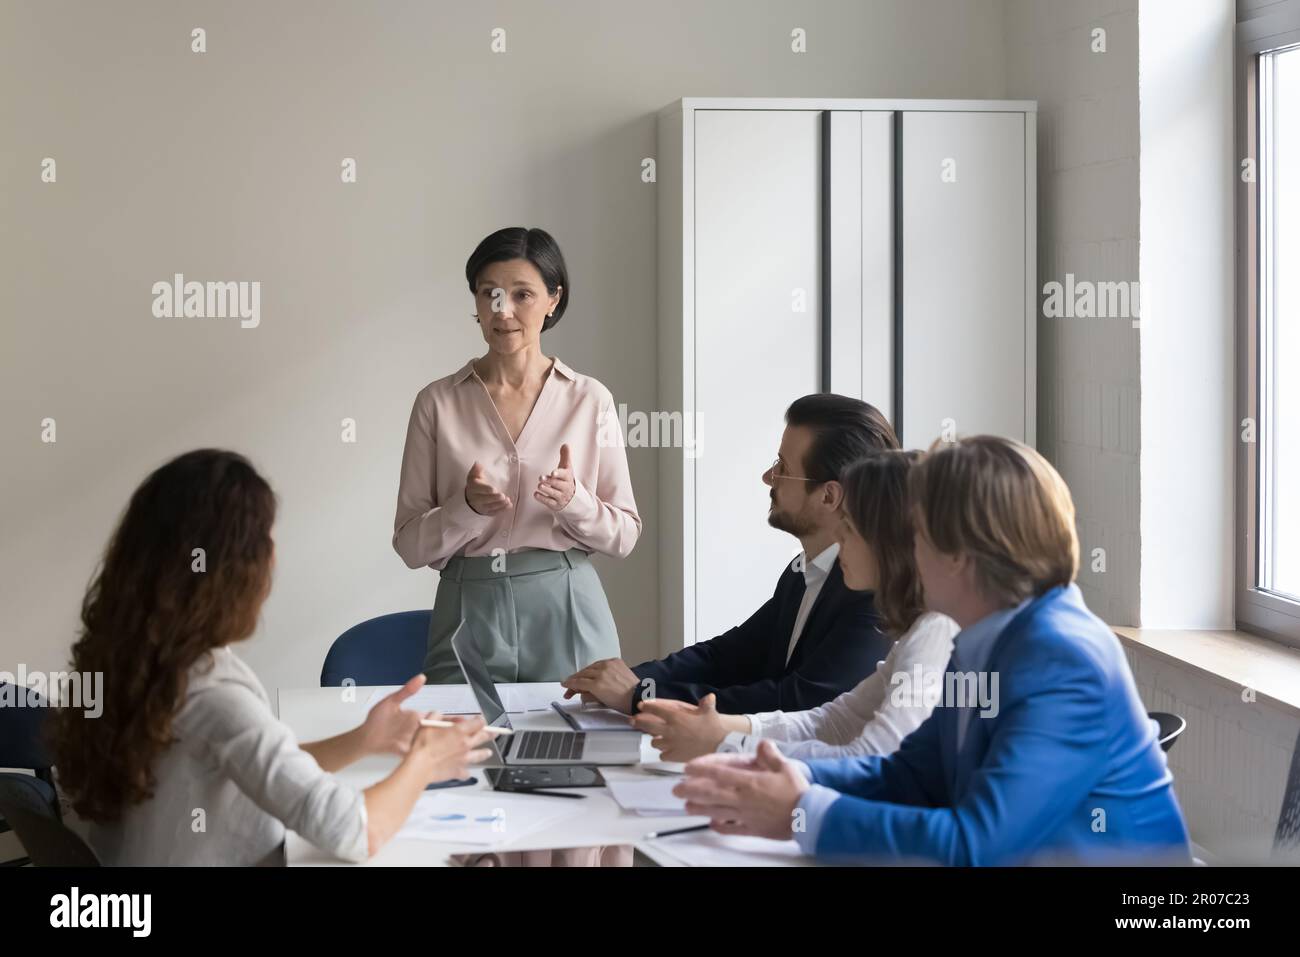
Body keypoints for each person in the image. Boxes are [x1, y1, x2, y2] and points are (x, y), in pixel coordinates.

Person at [674, 436, 1192, 866]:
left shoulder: (1062, 657)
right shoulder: (981, 640)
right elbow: (910, 774)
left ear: (960, 555)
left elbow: (977, 846)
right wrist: (778, 779)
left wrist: (801, 811)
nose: (903, 548)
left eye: (915, 533)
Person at [50, 449, 493, 866]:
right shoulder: (211, 693)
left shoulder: (132, 655)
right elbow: (356, 832)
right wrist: (426, 762)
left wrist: (362, 740)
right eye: (265, 540)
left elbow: (248, 767)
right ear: (235, 568)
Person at [393, 226, 641, 683]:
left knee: (577, 749)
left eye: (522, 294)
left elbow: (624, 536)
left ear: (553, 299)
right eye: (489, 293)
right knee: (460, 749)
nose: (502, 311)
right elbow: (409, 545)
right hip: (466, 607)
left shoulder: (591, 400)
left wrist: (575, 502)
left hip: (567, 605)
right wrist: (464, 509)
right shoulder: (436, 402)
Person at [562, 394, 896, 715]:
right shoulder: (802, 570)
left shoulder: (872, 593)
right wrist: (631, 680)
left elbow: (799, 700)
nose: (768, 477)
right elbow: (726, 656)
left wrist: (638, 697)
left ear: (829, 496)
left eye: (783, 466)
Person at [632, 450, 958, 762]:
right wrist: (715, 727)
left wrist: (723, 742)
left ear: (889, 542)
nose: (838, 536)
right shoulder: (919, 631)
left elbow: (871, 755)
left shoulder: (936, 632)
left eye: (849, 526)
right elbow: (832, 722)